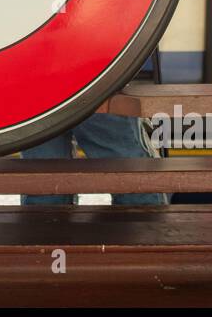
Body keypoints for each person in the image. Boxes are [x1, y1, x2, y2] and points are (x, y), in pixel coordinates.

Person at [19, 53, 167, 207]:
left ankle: (47, 228)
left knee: (44, 182)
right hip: (95, 69)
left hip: (36, 72)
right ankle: (145, 227)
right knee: (127, 172)